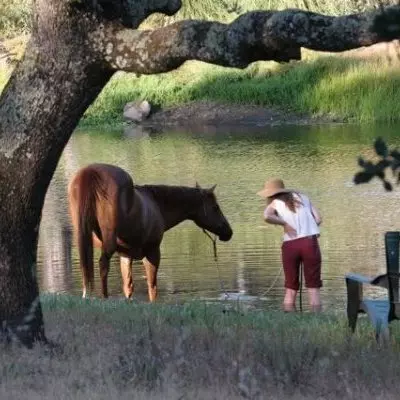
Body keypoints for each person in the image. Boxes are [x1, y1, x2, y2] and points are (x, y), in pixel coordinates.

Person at [257, 178, 322, 312]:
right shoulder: (304, 197)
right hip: (310, 243)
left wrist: (284, 223)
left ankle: (289, 318)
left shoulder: (275, 202)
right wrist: (309, 227)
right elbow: (318, 219)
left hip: (290, 246)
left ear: (270, 194)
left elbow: (266, 216)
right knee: (313, 287)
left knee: (290, 288)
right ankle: (317, 319)